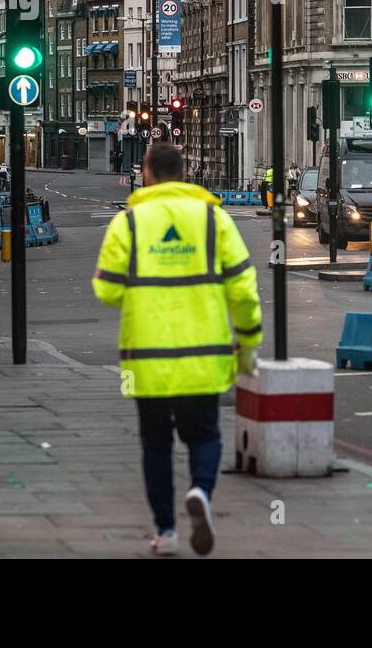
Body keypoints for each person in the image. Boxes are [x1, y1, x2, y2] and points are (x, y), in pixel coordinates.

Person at [92, 143, 263, 557]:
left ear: (146, 172)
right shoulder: (212, 218)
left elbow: (107, 289)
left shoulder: (129, 223)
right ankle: (201, 491)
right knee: (204, 435)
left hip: (146, 359)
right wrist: (249, 339)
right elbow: (242, 286)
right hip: (204, 356)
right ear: (184, 172)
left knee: (155, 444)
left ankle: (166, 531)